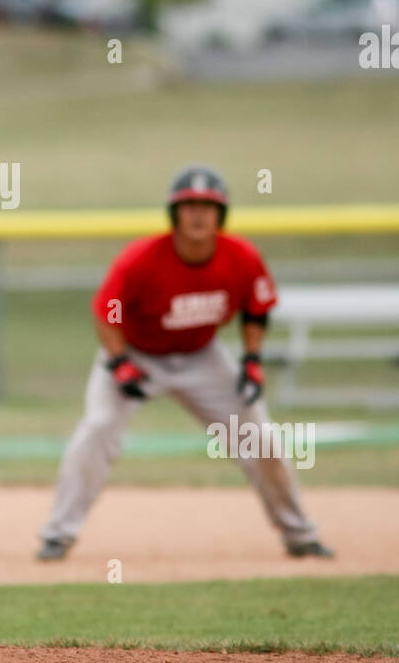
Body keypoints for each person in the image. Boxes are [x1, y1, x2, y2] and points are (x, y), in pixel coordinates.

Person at [37, 165, 333, 562]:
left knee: (259, 436)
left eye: (208, 206)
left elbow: (257, 309)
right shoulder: (141, 259)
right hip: (137, 353)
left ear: (221, 215)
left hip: (202, 356)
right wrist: (121, 363)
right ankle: (58, 535)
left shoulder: (240, 256)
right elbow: (106, 312)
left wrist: (251, 361)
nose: (197, 214)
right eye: (188, 205)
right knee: (98, 427)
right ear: (173, 213)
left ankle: (300, 535)